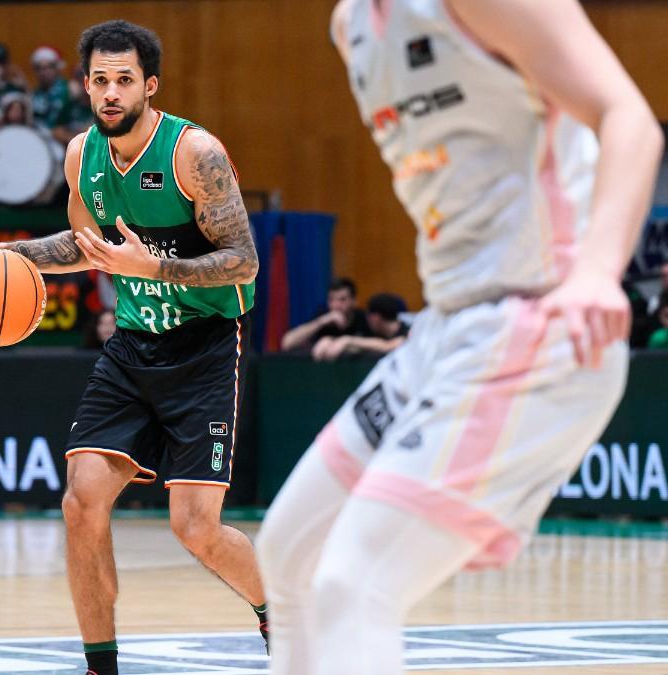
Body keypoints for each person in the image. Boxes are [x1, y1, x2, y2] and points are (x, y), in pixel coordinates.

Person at [256, 1, 662, 674]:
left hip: (540, 320)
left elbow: (631, 120)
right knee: (288, 553)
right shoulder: (349, 23)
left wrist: (596, 270)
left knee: (354, 583)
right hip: (445, 328)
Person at [0, 20, 267, 674]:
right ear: (85, 85)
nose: (111, 92)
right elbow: (81, 247)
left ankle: (280, 609)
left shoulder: (192, 154)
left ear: (150, 85)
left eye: (124, 80)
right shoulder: (80, 156)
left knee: (195, 529)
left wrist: (154, 268)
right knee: (80, 499)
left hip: (205, 347)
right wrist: (3, 256)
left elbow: (244, 262)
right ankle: (101, 664)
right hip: (134, 347)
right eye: (100, 80)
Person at [280, 276, 370, 352]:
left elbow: (382, 345)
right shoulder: (322, 316)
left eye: (342, 300)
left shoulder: (362, 318)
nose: (336, 305)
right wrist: (321, 322)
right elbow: (287, 343)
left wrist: (348, 341)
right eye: (331, 300)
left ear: (354, 301)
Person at [312, 292, 408, 361]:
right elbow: (364, 345)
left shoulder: (408, 332)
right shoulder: (376, 333)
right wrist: (331, 341)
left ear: (375, 318)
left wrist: (347, 340)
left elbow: (388, 345)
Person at [30, 45, 71, 131]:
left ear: (57, 69)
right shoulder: (34, 94)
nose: (44, 72)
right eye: (39, 68)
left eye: (49, 67)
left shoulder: (69, 89)